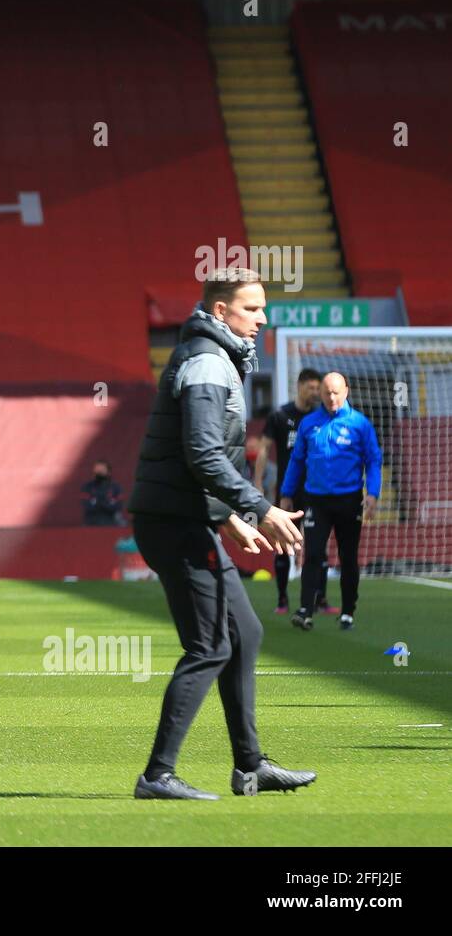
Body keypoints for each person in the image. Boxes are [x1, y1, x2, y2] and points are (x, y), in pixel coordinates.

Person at [127, 268, 315, 800]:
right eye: (252, 308)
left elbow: (194, 459)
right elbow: (204, 453)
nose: (262, 318)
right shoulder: (208, 360)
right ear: (220, 312)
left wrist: (228, 518)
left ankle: (250, 766)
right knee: (209, 645)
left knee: (245, 634)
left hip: (184, 516)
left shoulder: (212, 356)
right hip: (173, 523)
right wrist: (259, 509)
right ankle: (157, 776)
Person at [280, 371, 381, 632]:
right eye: (326, 392)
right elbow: (297, 461)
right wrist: (286, 494)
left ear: (346, 391)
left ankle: (348, 611)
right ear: (320, 394)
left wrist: (373, 493)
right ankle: (305, 609)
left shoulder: (360, 424)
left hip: (349, 501)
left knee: (348, 557)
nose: (331, 397)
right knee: (312, 554)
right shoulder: (309, 424)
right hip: (316, 500)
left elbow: (373, 461)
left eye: (336, 392)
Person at [254, 367, 327, 615]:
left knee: (319, 546)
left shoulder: (321, 417)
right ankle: (282, 599)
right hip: (288, 491)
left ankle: (321, 598)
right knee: (284, 544)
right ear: (300, 386)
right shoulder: (280, 416)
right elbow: (263, 450)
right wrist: (258, 481)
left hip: (317, 491)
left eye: (319, 388)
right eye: (312, 387)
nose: (316, 392)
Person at [80, 459, 124, 526]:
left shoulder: (116, 488)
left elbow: (118, 506)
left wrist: (98, 502)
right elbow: (87, 506)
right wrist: (105, 502)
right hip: (91, 522)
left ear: (109, 472)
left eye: (102, 470)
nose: (99, 473)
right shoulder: (87, 487)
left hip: (112, 522)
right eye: (97, 470)